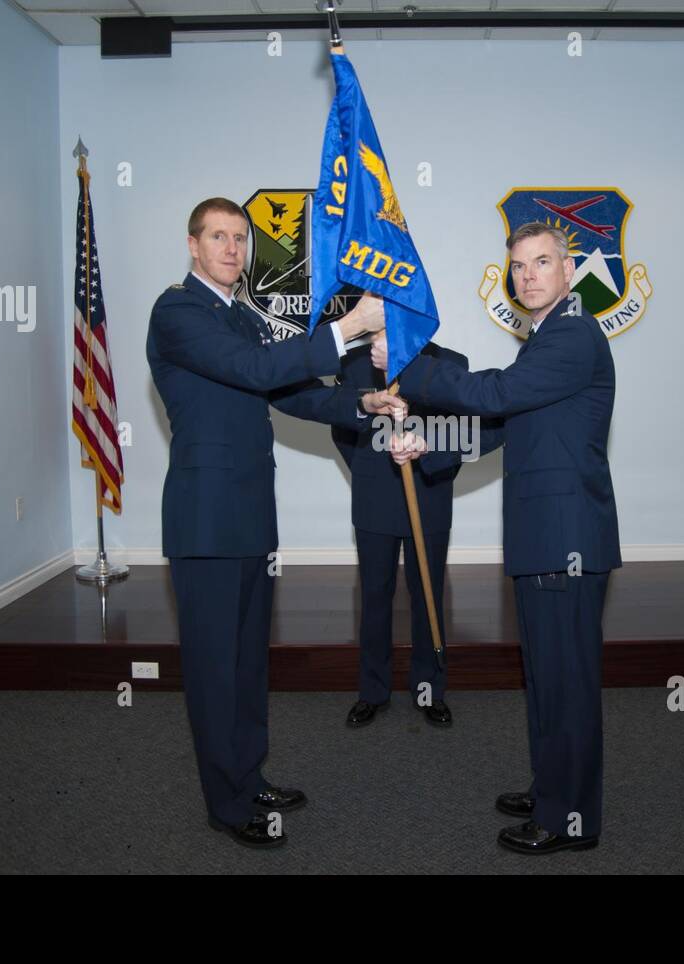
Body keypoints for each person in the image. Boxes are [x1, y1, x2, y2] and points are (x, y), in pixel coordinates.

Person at [147, 197, 402, 849]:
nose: (232, 248)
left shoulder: (242, 314)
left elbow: (289, 392)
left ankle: (249, 774)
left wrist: (362, 399)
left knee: (246, 663)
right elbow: (255, 370)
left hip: (251, 516)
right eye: (219, 237)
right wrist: (349, 329)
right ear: (193, 244)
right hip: (205, 522)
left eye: (240, 239)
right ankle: (226, 804)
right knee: (212, 669)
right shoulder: (177, 311)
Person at [373, 222, 620, 855]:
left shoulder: (571, 334)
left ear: (568, 272)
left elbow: (497, 393)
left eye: (541, 262)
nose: (527, 274)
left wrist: (409, 361)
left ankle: (571, 821)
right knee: (546, 678)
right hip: (546, 536)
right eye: (518, 265)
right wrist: (433, 442)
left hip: (565, 539)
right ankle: (552, 790)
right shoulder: (547, 338)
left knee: (566, 683)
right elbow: (507, 423)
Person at [332, 342, 499, 729]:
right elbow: (340, 426)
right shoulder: (356, 365)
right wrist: (367, 471)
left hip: (429, 492)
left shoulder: (451, 363)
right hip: (374, 496)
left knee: (428, 594)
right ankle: (372, 691)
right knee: (374, 595)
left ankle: (429, 689)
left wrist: (435, 468)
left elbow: (462, 429)